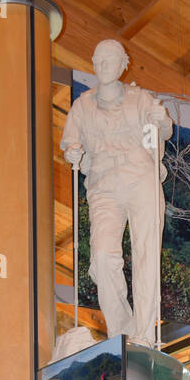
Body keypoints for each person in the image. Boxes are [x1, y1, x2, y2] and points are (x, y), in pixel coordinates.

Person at [61, 39, 173, 343]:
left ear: (123, 64)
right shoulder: (82, 106)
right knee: (101, 256)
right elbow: (70, 141)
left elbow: (161, 128)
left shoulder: (141, 99)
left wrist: (162, 122)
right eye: (98, 59)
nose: (102, 64)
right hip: (104, 184)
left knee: (146, 254)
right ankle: (122, 331)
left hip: (140, 176)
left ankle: (145, 334)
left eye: (109, 59)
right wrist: (72, 151)